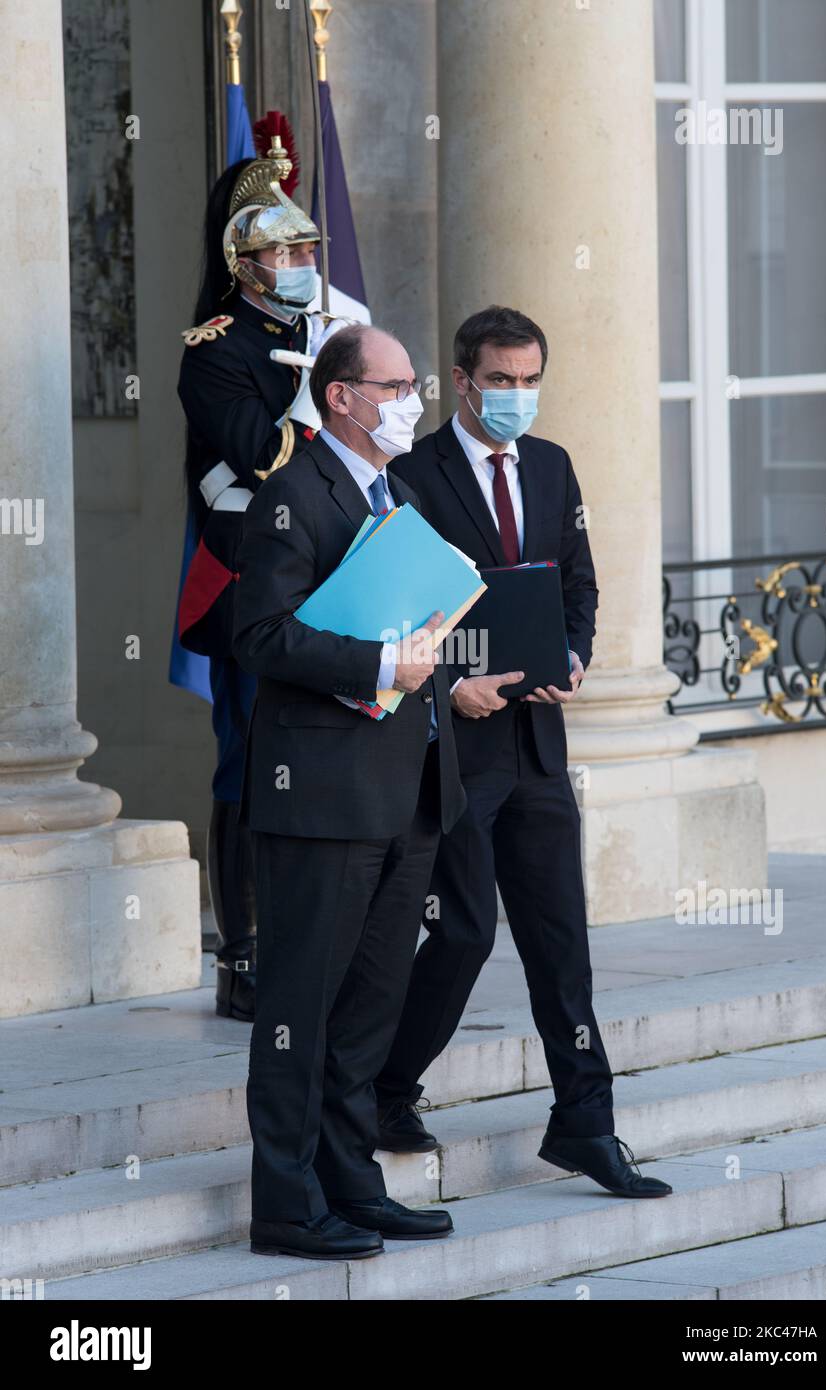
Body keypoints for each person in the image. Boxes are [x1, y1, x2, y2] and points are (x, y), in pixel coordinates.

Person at [375, 306, 672, 1200]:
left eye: (529, 380)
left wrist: (573, 653)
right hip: (456, 749)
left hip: (539, 744)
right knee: (462, 932)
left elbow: (576, 580)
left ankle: (585, 1123)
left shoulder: (551, 466)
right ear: (460, 381)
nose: (516, 396)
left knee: (561, 943)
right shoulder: (410, 475)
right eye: (500, 380)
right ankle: (387, 1089)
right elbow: (394, 610)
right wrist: (447, 684)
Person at [232, 323, 466, 1260]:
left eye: (412, 383)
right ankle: (284, 1203)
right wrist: (378, 662)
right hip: (321, 794)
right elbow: (259, 638)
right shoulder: (292, 495)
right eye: (396, 383)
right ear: (342, 396)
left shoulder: (396, 493)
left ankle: (350, 1180)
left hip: (404, 790)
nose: (411, 399)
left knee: (368, 1005)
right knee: (300, 1003)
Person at [175, 112, 353, 1022]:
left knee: (322, 753)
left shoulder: (326, 336)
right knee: (248, 762)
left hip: (327, 571)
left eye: (307, 250)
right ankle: (240, 956)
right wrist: (316, 386)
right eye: (281, 256)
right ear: (244, 267)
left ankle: (314, 936)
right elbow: (264, 456)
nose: (299, 266)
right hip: (250, 577)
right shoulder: (215, 353)